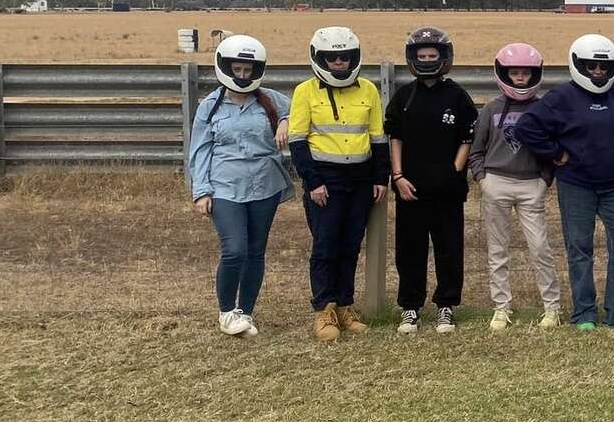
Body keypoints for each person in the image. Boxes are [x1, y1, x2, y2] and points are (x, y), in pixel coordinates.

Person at [513, 35, 614, 330]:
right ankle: (584, 312)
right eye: (591, 66)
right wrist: (555, 153)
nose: (598, 72)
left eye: (604, 66)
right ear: (577, 65)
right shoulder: (561, 97)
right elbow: (526, 128)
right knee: (580, 249)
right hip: (577, 186)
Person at [188, 34, 293, 337]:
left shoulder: (271, 99)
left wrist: (285, 121)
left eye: (248, 70)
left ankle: (245, 312)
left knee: (256, 251)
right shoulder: (210, 106)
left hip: (265, 185)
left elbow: (299, 111)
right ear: (226, 68)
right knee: (234, 250)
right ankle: (225, 312)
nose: (243, 76)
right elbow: (199, 149)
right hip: (225, 186)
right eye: (238, 70)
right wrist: (201, 191)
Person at [288, 26, 389, 342]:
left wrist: (379, 178)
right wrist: (313, 182)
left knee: (350, 245)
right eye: (332, 58)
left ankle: (346, 306)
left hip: (360, 180)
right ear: (320, 58)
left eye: (345, 57)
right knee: (325, 246)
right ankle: (324, 310)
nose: (339, 63)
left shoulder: (369, 90)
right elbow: (297, 141)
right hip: (324, 181)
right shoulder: (305, 91)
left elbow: (378, 138)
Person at [385, 27, 477, 336]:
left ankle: (446, 307)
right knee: (409, 249)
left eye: (432, 55)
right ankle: (410, 308)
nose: (426, 60)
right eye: (421, 56)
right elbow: (394, 137)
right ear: (412, 59)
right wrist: (397, 177)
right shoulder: (404, 96)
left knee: (448, 248)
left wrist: (454, 171)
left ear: (444, 58)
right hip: (410, 188)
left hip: (447, 189)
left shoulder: (457, 95)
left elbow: (467, 137)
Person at [470, 42, 562, 331]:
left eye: (525, 73)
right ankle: (501, 307)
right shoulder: (492, 109)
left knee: (539, 248)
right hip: (496, 183)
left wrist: (545, 179)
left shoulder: (543, 109)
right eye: (515, 73)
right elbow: (477, 149)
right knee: (498, 250)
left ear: (535, 75)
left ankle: (552, 307)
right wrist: (482, 179)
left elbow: (552, 146)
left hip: (530, 184)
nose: (520, 78)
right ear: (504, 74)